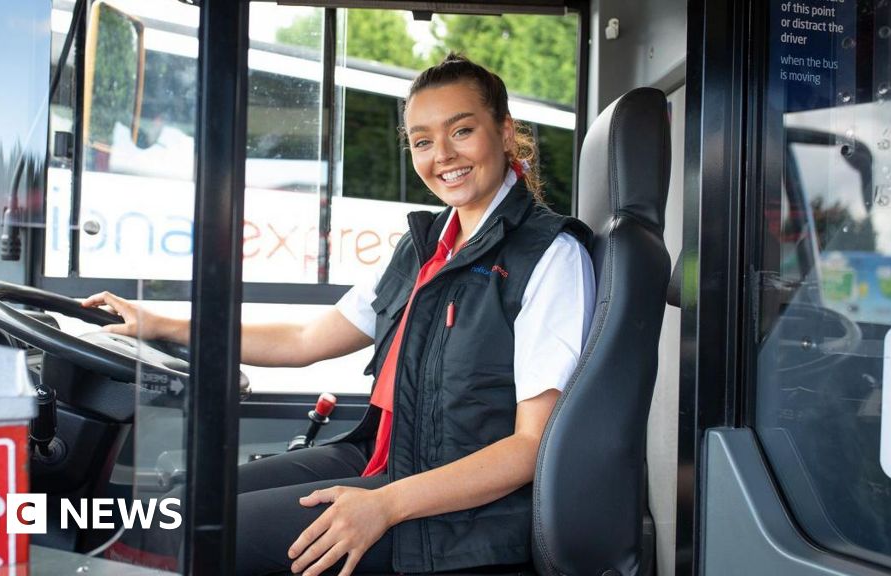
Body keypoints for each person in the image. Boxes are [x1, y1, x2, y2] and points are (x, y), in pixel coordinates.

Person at [83, 53, 595, 576]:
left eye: (462, 131)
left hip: (459, 515)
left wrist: (386, 504)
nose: (442, 155)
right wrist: (163, 326)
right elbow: (306, 337)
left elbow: (532, 446)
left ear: (505, 132)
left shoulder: (549, 256)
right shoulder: (424, 247)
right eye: (422, 141)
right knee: (182, 508)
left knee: (200, 539)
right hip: (383, 458)